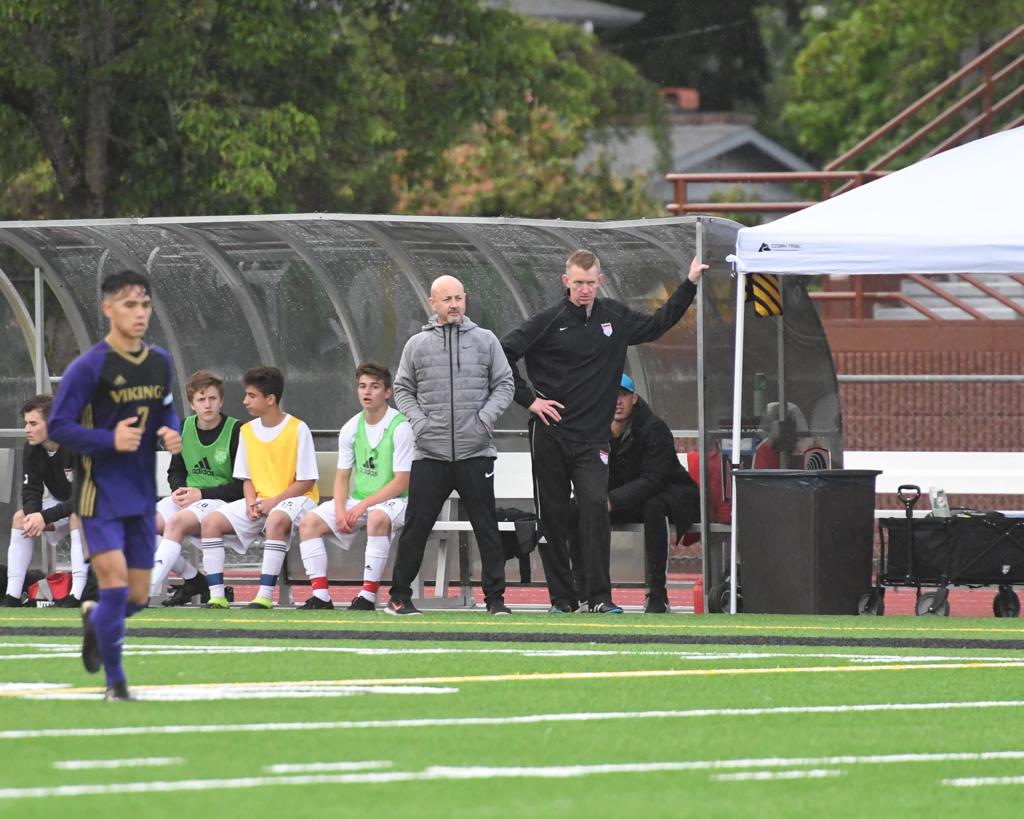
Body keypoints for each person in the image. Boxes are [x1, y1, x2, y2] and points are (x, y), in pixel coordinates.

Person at [501, 250, 706, 614]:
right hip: (550, 433)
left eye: (590, 282)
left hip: (592, 439)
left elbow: (658, 324)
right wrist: (530, 400)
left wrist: (688, 284)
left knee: (595, 506)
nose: (584, 290)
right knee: (553, 514)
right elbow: (502, 354)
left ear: (601, 280)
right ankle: (562, 600)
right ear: (566, 282)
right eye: (577, 283)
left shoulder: (615, 317)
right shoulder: (548, 321)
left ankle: (599, 597)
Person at [47, 269, 182, 701]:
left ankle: (97, 619)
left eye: (144, 304)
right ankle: (116, 683)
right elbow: (59, 427)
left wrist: (170, 430)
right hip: (97, 495)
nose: (140, 313)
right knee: (116, 586)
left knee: (140, 597)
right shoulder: (90, 367)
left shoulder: (159, 361)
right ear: (108, 309)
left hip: (142, 495)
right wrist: (109, 439)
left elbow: (164, 408)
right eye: (129, 304)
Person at [385, 275, 514, 616]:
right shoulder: (416, 345)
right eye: (447, 299)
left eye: (459, 297)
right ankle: (399, 598)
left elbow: (504, 383)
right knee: (416, 527)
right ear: (433, 303)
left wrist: (484, 419)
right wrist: (420, 423)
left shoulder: (486, 340)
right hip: (431, 453)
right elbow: (402, 389)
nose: (454, 304)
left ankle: (496, 601)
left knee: (486, 527)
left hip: (476, 452)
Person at [569, 374, 699, 614]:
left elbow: (655, 479)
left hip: (667, 495)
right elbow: (584, 472)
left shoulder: (654, 428)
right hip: (622, 498)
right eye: (612, 395)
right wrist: (595, 498)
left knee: (654, 506)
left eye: (623, 395)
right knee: (575, 509)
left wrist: (611, 500)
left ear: (634, 398)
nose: (617, 401)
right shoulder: (594, 429)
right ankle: (584, 594)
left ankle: (658, 595)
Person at [198, 366, 318, 610]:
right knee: (210, 522)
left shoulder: (298, 429)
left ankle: (264, 596)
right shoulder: (247, 431)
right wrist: (252, 502)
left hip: (298, 500)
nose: (245, 401)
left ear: (270, 399)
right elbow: (246, 478)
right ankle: (217, 597)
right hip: (261, 501)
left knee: (275, 519)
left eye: (251, 395)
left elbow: (306, 481)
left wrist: (273, 503)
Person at [297, 363, 413, 610]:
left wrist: (362, 506)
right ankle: (321, 597)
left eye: (374, 386)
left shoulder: (400, 427)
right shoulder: (351, 427)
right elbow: (342, 477)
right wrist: (340, 510)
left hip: (400, 500)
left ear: (388, 392)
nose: (367, 392)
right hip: (361, 500)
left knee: (377, 517)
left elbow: (402, 481)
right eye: (362, 386)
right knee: (308, 523)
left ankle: (367, 597)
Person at [151, 370, 243, 606]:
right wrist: (179, 490)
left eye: (212, 398)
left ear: (221, 400)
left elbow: (241, 486)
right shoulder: (184, 427)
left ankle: (144, 591)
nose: (208, 405)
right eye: (201, 400)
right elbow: (176, 470)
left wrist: (201, 493)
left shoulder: (236, 431)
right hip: (190, 499)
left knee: (176, 523)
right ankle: (193, 578)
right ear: (192, 404)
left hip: (221, 502)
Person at [4, 394, 88, 608]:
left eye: (33, 423)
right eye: (26, 423)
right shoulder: (32, 448)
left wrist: (45, 516)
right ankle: (12, 595)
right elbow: (30, 489)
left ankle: (77, 595)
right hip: (66, 506)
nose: (26, 429)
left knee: (78, 516)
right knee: (21, 518)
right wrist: (34, 515)